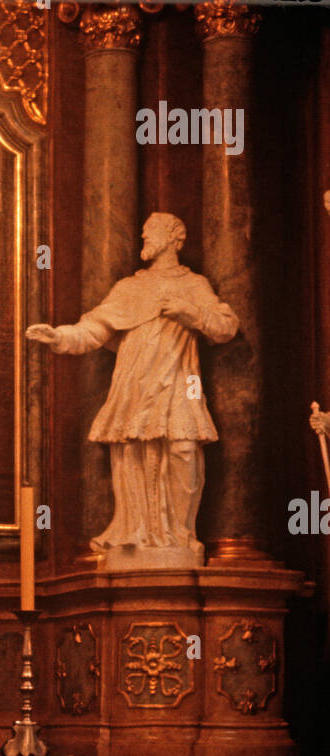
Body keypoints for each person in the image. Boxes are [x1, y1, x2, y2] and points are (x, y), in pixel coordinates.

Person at [27, 212, 238, 569]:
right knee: (133, 457)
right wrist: (60, 337)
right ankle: (137, 533)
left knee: (183, 451)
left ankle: (179, 535)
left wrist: (190, 313)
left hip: (179, 383)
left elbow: (225, 327)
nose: (144, 237)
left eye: (151, 232)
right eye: (142, 234)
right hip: (135, 386)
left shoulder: (194, 285)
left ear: (175, 237)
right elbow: (93, 328)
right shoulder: (129, 288)